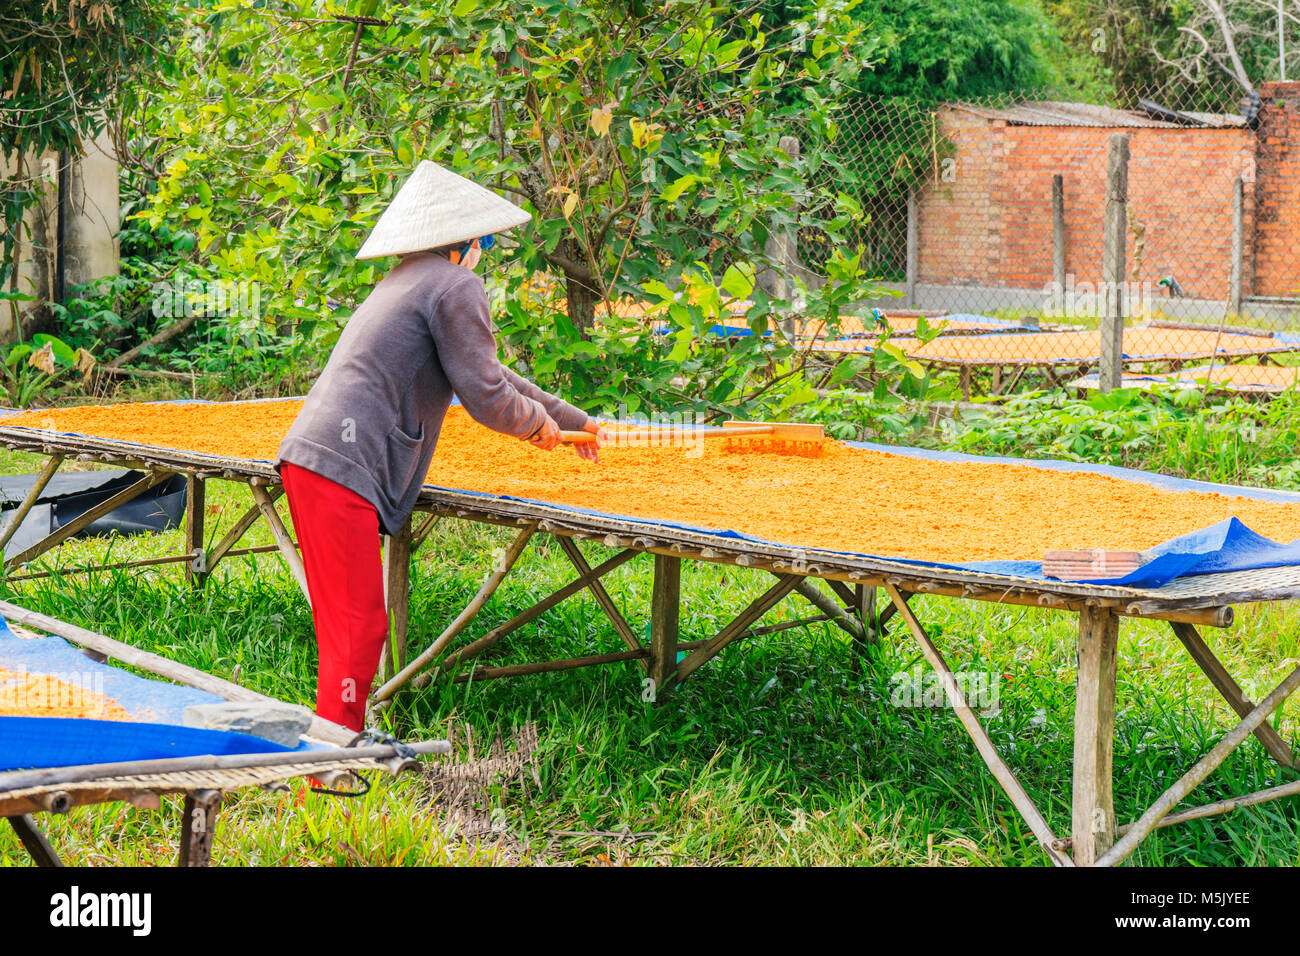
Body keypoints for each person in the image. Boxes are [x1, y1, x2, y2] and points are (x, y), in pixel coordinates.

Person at [274, 160, 606, 731]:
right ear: (467, 242)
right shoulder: (456, 285)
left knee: (344, 623)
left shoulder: (409, 279)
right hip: (342, 468)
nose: (486, 253)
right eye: (486, 243)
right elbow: (485, 395)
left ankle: (333, 742)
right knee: (359, 626)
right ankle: (331, 761)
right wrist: (533, 426)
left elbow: (493, 376)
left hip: (315, 460)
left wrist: (572, 418)